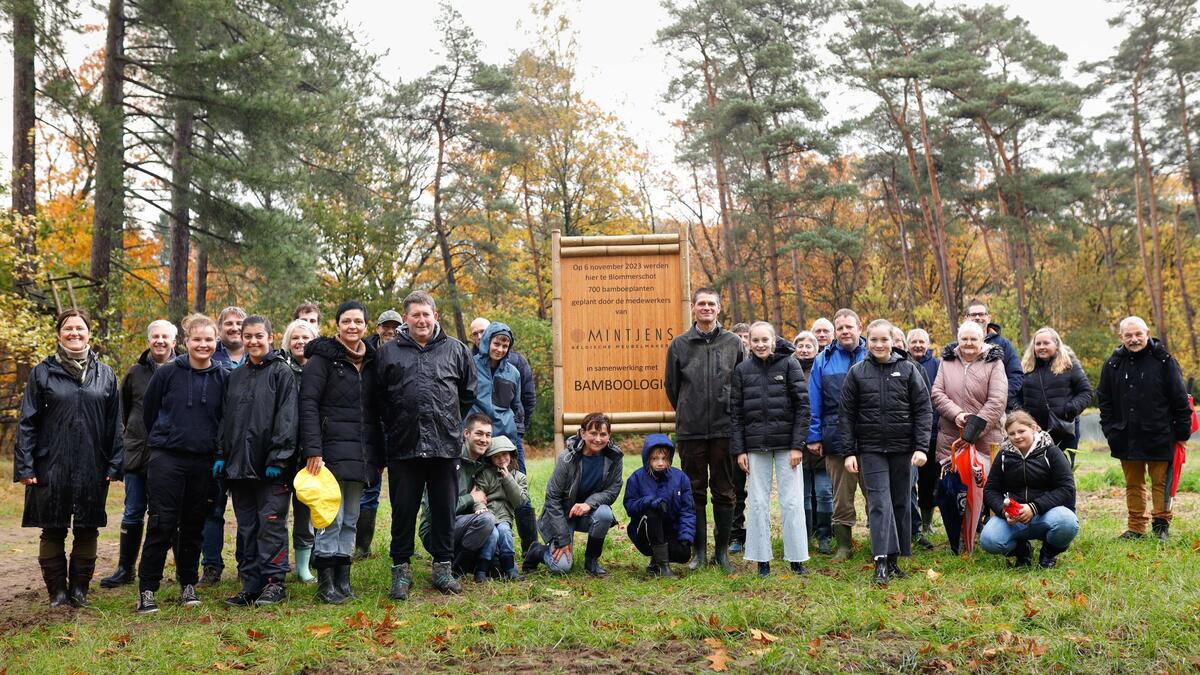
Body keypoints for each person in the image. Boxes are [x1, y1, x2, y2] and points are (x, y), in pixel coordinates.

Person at [15, 309, 123, 608]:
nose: (74, 333)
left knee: (88, 526)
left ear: (89, 333)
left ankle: (79, 590)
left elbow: (116, 424)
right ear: (59, 334)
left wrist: (115, 463)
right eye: (68, 329)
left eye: (80, 328)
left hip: (93, 462)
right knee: (53, 526)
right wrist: (25, 465)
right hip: (51, 462)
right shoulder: (42, 372)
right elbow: (27, 422)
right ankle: (57, 593)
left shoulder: (106, 374)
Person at [377, 291, 476, 599]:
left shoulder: (456, 350)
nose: (421, 319)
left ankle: (443, 568)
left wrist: (446, 420)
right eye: (415, 314)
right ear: (406, 319)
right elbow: (378, 398)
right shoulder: (388, 353)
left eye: (426, 314)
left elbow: (467, 393)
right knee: (403, 510)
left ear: (436, 316)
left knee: (444, 509)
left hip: (444, 447)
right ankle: (401, 570)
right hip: (403, 446)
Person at [136, 314, 229, 613]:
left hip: (203, 462)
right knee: (162, 522)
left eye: (209, 340)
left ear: (216, 342)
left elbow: (225, 421)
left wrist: (217, 454)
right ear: (186, 342)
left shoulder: (223, 377)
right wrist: (166, 439)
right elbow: (149, 413)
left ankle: (188, 583)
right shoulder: (167, 373)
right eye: (197, 339)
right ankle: (147, 589)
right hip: (167, 458)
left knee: (193, 525)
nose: (203, 345)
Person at [299, 300, 384, 604]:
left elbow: (377, 411)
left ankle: (342, 579)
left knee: (351, 516)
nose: (352, 326)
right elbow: (307, 404)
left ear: (365, 326)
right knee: (329, 517)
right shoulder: (322, 359)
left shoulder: (373, 361)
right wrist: (313, 449)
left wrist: (379, 456)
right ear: (337, 325)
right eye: (346, 321)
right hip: (328, 451)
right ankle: (325, 582)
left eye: (358, 321)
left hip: (362, 452)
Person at [840, 319, 933, 585]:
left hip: (903, 449)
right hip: (870, 449)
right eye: (874, 340)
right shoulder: (857, 373)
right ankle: (880, 560)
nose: (879, 345)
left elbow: (923, 410)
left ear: (893, 341)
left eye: (884, 340)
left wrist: (921, 447)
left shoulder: (908, 369)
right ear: (866, 342)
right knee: (879, 503)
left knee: (901, 502)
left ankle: (894, 559)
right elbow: (845, 416)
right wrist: (849, 452)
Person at [215, 316, 297, 606]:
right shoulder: (235, 376)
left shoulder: (281, 373)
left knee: (271, 524)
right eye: (247, 336)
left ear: (270, 337)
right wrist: (222, 455)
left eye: (258, 336)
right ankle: (251, 584)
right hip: (239, 467)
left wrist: (279, 457)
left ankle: (275, 583)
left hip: (271, 468)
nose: (253, 341)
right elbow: (226, 419)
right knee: (247, 526)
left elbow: (287, 419)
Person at [664, 288, 744, 573]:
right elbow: (672, 387)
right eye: (702, 304)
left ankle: (721, 553)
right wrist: (689, 408)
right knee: (694, 491)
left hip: (725, 429)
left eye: (711, 303)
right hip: (691, 430)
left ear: (719, 309)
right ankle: (699, 552)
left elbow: (741, 384)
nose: (706, 308)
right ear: (694, 309)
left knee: (725, 491)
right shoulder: (680, 345)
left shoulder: (734, 343)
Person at [1098, 316, 1192, 541]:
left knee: (1160, 483)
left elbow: (1180, 399)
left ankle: (1161, 526)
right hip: (1125, 436)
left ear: (1147, 333)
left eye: (1138, 334)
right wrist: (1110, 431)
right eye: (1128, 335)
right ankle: (1136, 528)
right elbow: (1104, 401)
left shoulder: (1164, 360)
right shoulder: (1113, 364)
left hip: (1160, 434)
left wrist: (1182, 433)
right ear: (1121, 337)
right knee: (1133, 483)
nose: (1134, 339)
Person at [100, 319, 177, 589]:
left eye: (165, 336)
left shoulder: (184, 370)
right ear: (148, 341)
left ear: (174, 342)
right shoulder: (134, 373)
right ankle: (125, 568)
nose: (160, 341)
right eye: (155, 336)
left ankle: (173, 571)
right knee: (133, 511)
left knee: (167, 513)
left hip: (169, 456)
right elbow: (123, 411)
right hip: (137, 454)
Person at [731, 322, 811, 577]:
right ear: (749, 343)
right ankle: (761, 559)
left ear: (774, 341)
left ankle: (797, 558)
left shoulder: (789, 365)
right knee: (757, 503)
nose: (761, 344)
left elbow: (803, 407)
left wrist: (798, 445)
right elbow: (736, 415)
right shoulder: (742, 370)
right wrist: (739, 450)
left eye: (765, 339)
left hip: (788, 446)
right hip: (755, 446)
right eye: (755, 340)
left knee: (791, 502)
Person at [930, 321, 1007, 553]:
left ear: (983, 339)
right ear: (958, 339)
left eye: (974, 338)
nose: (969, 343)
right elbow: (937, 393)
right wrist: (958, 415)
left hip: (985, 438)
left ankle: (988, 535)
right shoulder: (947, 361)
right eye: (964, 338)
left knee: (985, 489)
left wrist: (972, 431)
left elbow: (997, 401)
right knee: (955, 490)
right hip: (951, 438)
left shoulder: (994, 363)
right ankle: (958, 539)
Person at [468, 316, 538, 554]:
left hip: (508, 440)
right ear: (486, 341)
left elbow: (518, 405)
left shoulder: (514, 372)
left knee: (518, 488)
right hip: (481, 440)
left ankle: (531, 548)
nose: (499, 348)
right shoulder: (470, 365)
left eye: (504, 345)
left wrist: (517, 431)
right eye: (495, 343)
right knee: (480, 488)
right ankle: (485, 549)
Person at [524, 413, 623, 576]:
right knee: (560, 567)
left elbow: (613, 490)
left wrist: (588, 504)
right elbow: (552, 498)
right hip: (562, 515)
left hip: (589, 513)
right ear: (582, 433)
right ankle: (537, 551)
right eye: (593, 433)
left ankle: (591, 560)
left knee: (605, 513)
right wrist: (562, 538)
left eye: (603, 434)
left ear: (609, 436)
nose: (598, 439)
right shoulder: (567, 459)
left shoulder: (614, 458)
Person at [806, 308, 868, 562]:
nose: (844, 331)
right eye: (840, 327)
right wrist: (814, 435)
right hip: (835, 437)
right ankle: (844, 546)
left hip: (871, 438)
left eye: (848, 326)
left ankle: (881, 543)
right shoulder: (824, 360)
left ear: (859, 328)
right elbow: (814, 400)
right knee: (841, 496)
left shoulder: (872, 353)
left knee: (875, 494)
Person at [980, 412, 1079, 568]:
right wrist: (1004, 512)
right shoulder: (1004, 455)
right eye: (1011, 433)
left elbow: (1066, 488)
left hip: (1045, 513)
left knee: (1068, 523)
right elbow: (991, 490)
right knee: (989, 540)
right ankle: (1022, 550)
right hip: (1014, 518)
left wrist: (1034, 507)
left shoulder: (1051, 452)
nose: (1017, 436)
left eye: (1021, 431)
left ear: (1033, 428)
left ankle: (1048, 554)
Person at [416, 413, 497, 582]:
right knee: (486, 521)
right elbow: (436, 511)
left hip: (463, 525)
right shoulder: (449, 461)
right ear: (466, 434)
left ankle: (463, 562)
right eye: (479, 433)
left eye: (488, 435)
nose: (484, 439)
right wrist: (471, 498)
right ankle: (452, 571)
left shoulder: (483, 464)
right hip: (435, 532)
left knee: (497, 563)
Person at [200, 305, 247, 587]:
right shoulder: (208, 356)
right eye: (228, 323)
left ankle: (246, 564)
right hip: (213, 447)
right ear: (220, 328)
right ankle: (212, 567)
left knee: (245, 511)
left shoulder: (259, 356)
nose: (233, 327)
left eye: (238, 323)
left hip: (246, 448)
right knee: (212, 510)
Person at [355, 308, 403, 561]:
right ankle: (362, 546)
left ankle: (401, 543)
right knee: (369, 486)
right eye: (386, 326)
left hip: (399, 429)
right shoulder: (367, 354)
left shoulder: (407, 349)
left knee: (402, 489)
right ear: (377, 328)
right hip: (372, 428)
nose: (391, 331)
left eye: (396, 327)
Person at [1019, 327, 1094, 467]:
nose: (1042, 347)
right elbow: (1015, 396)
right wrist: (1022, 417)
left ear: (1056, 344)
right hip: (1034, 431)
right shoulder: (1025, 368)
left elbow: (1086, 392)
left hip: (1064, 429)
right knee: (1035, 471)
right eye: (1038, 344)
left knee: (1062, 472)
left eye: (1046, 343)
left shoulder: (1070, 365)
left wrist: (1069, 410)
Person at [623, 434, 696, 578]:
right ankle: (664, 568)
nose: (660, 463)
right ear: (647, 459)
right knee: (653, 511)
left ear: (670, 458)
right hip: (645, 532)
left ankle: (656, 561)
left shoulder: (680, 477)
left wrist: (686, 535)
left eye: (664, 459)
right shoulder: (636, 478)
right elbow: (629, 506)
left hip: (670, 529)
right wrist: (649, 501)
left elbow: (688, 510)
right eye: (655, 459)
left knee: (683, 554)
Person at [280, 318, 318, 584]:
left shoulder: (321, 369)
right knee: (277, 512)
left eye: (305, 337)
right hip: (283, 452)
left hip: (311, 453)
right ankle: (278, 563)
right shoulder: (279, 369)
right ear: (287, 342)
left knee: (305, 513)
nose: (300, 342)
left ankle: (303, 567)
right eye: (295, 337)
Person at [793, 330, 833, 554]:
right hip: (797, 443)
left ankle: (825, 535)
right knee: (803, 494)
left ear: (817, 348)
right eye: (801, 345)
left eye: (809, 345)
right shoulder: (789, 369)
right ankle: (805, 535)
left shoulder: (822, 368)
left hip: (820, 441)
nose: (805, 349)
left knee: (825, 491)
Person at [471, 436, 529, 581]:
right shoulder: (486, 475)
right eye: (496, 456)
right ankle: (481, 571)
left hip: (504, 516)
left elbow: (519, 501)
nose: (501, 459)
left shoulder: (519, 477)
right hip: (487, 515)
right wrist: (480, 507)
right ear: (490, 459)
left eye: (504, 454)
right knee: (493, 535)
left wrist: (507, 478)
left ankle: (510, 569)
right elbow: (478, 493)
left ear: (511, 454)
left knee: (504, 531)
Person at [906, 328, 941, 546]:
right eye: (914, 341)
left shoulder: (937, 365)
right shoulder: (901, 363)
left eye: (922, 341)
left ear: (928, 344)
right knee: (909, 482)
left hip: (933, 432)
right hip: (906, 436)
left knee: (929, 481)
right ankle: (911, 524)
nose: (918, 345)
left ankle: (927, 522)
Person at [959, 300, 1023, 410]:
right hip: (965, 410)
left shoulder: (1003, 344)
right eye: (973, 314)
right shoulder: (958, 346)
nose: (978, 317)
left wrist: (999, 400)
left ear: (989, 318)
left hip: (999, 409)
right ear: (966, 318)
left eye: (982, 314)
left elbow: (1015, 376)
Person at [728, 321, 751, 555]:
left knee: (752, 490)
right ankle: (734, 533)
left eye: (747, 336)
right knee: (733, 488)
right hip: (726, 431)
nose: (743, 340)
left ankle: (753, 533)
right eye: (740, 336)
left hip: (751, 434)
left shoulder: (758, 364)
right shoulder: (727, 362)